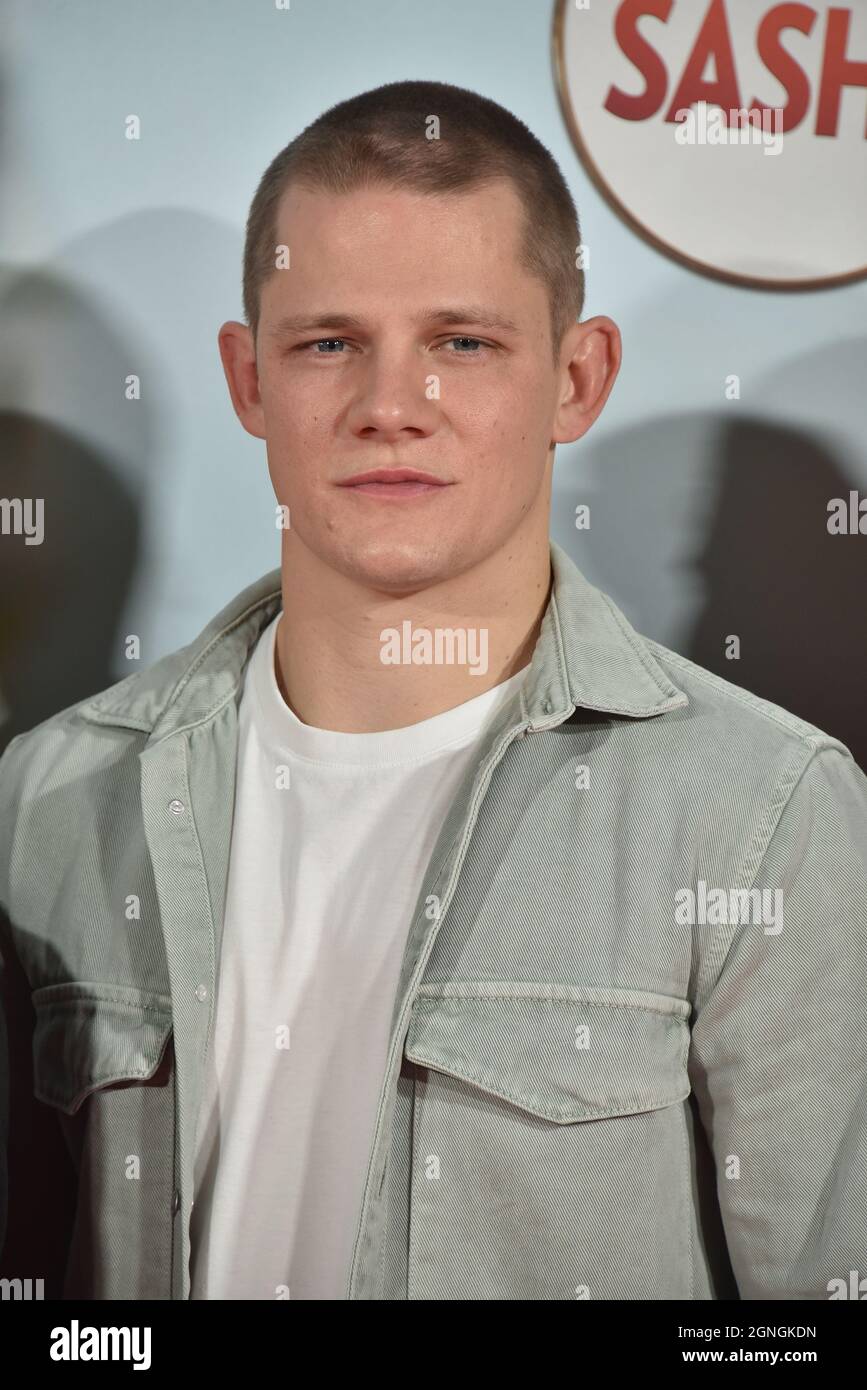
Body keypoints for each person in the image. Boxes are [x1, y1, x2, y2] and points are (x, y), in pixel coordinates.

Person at [1, 79, 865, 1302]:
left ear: (577, 376)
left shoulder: (761, 816)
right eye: (329, 343)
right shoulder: (46, 799)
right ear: (249, 380)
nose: (390, 409)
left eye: (463, 342)